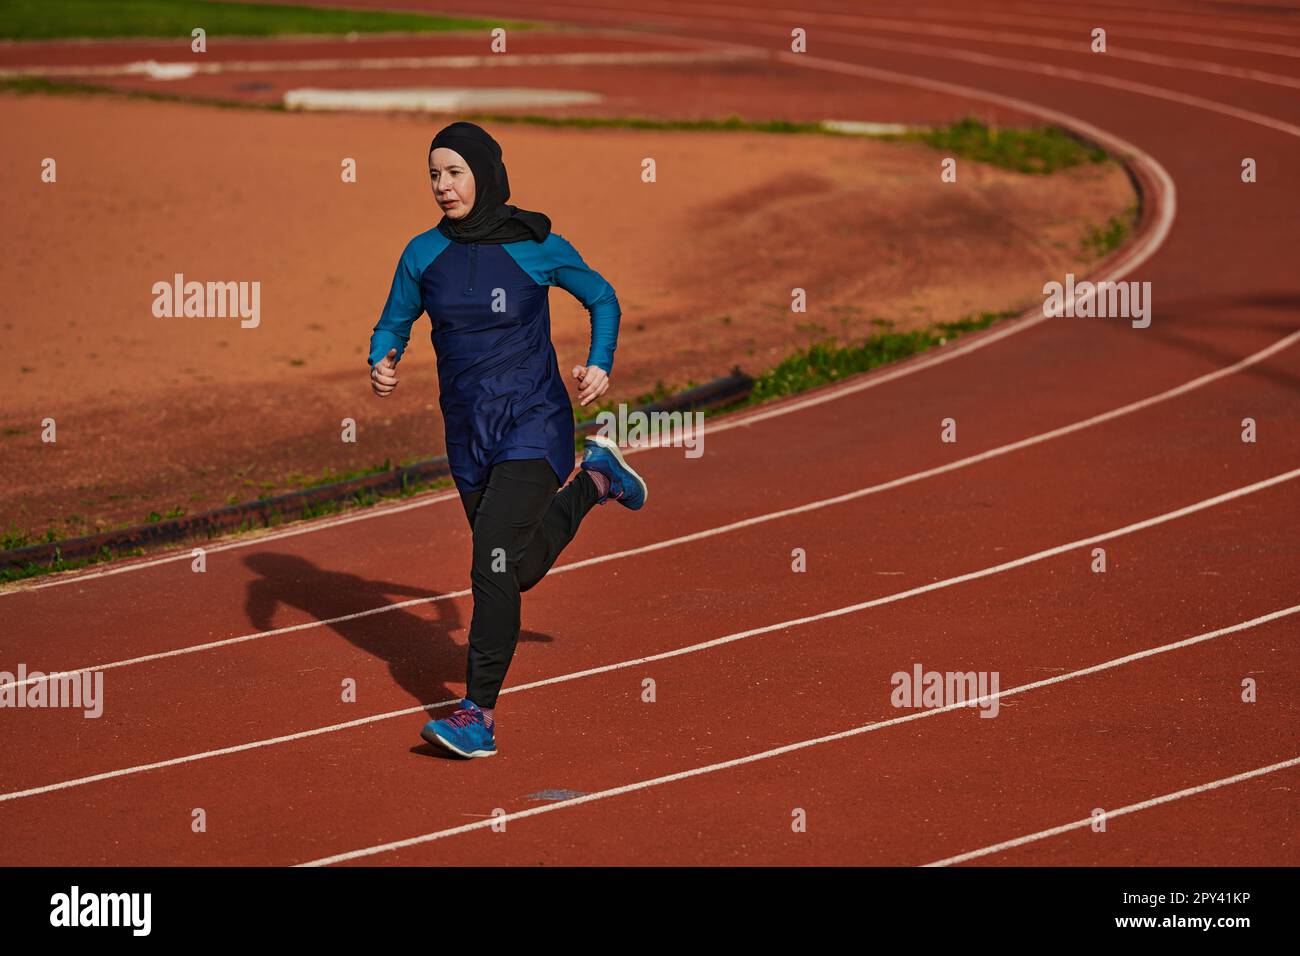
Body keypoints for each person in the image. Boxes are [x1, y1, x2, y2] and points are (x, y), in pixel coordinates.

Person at [367, 121, 647, 759]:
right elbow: (393, 321)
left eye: (455, 172)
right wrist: (383, 357)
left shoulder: (533, 244)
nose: (443, 186)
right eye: (434, 174)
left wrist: (599, 362)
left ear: (484, 174)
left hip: (534, 422)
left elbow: (601, 297)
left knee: (487, 565)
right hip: (468, 437)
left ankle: (477, 715)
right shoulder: (422, 254)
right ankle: (599, 479)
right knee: (512, 571)